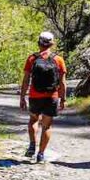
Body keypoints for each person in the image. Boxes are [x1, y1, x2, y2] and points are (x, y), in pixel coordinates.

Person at [19, 31, 66, 163]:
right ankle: (40, 154)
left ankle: (32, 145)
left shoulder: (32, 59)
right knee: (47, 126)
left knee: (33, 120)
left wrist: (22, 97)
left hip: (35, 95)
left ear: (39, 43)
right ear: (52, 43)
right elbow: (62, 82)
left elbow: (26, 80)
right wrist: (63, 99)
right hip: (52, 96)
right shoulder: (58, 60)